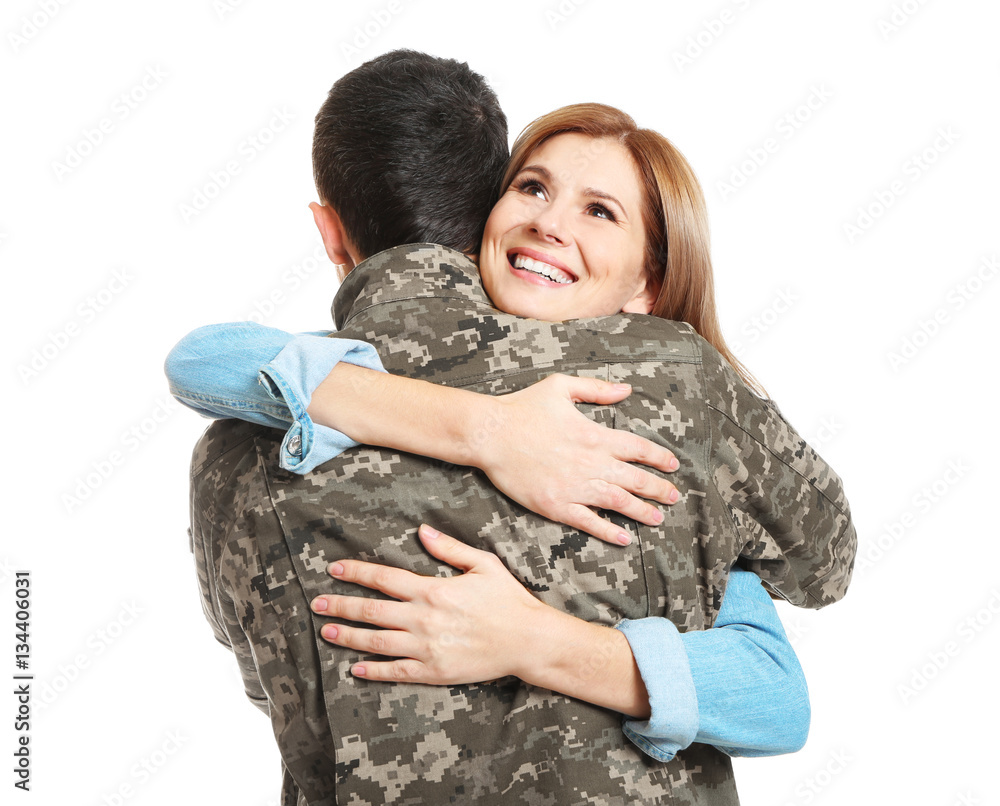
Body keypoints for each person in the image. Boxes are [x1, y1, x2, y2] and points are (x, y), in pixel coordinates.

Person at [177, 51, 854, 805]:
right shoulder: (678, 395)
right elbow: (205, 360)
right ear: (481, 217)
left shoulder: (237, 445)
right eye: (532, 187)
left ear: (650, 281)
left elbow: (776, 690)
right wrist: (490, 430)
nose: (548, 222)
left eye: (600, 211)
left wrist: (533, 640)